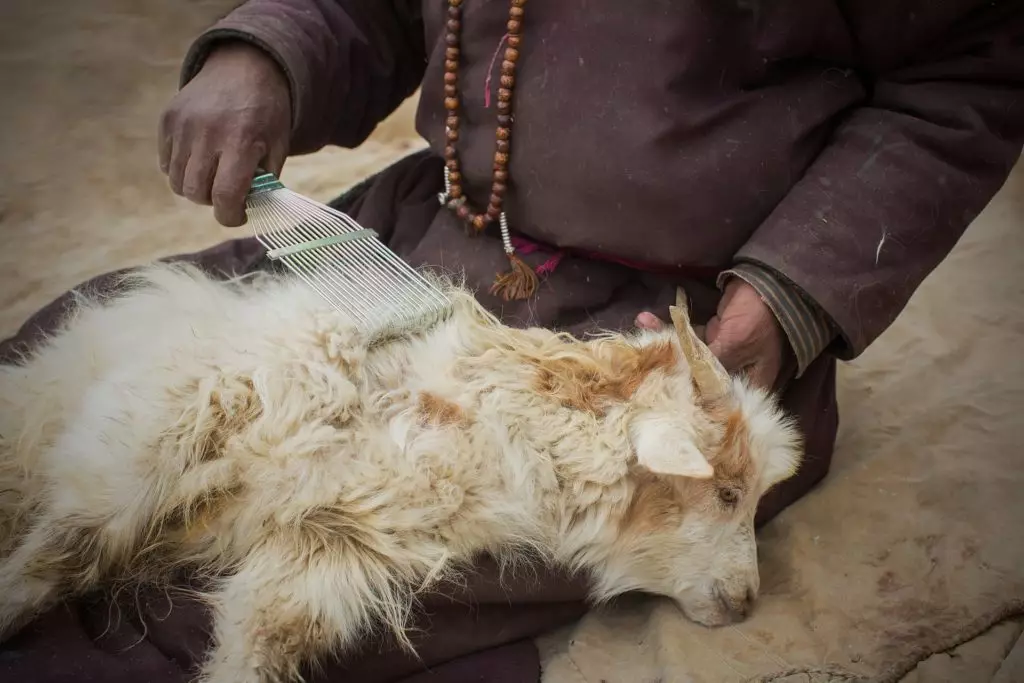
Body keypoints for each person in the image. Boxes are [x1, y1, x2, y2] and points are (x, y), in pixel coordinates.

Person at [1, 2, 1022, 682]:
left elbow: (967, 70)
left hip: (679, 338)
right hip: (433, 234)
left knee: (295, 575)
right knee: (85, 358)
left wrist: (792, 292)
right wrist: (266, 49)